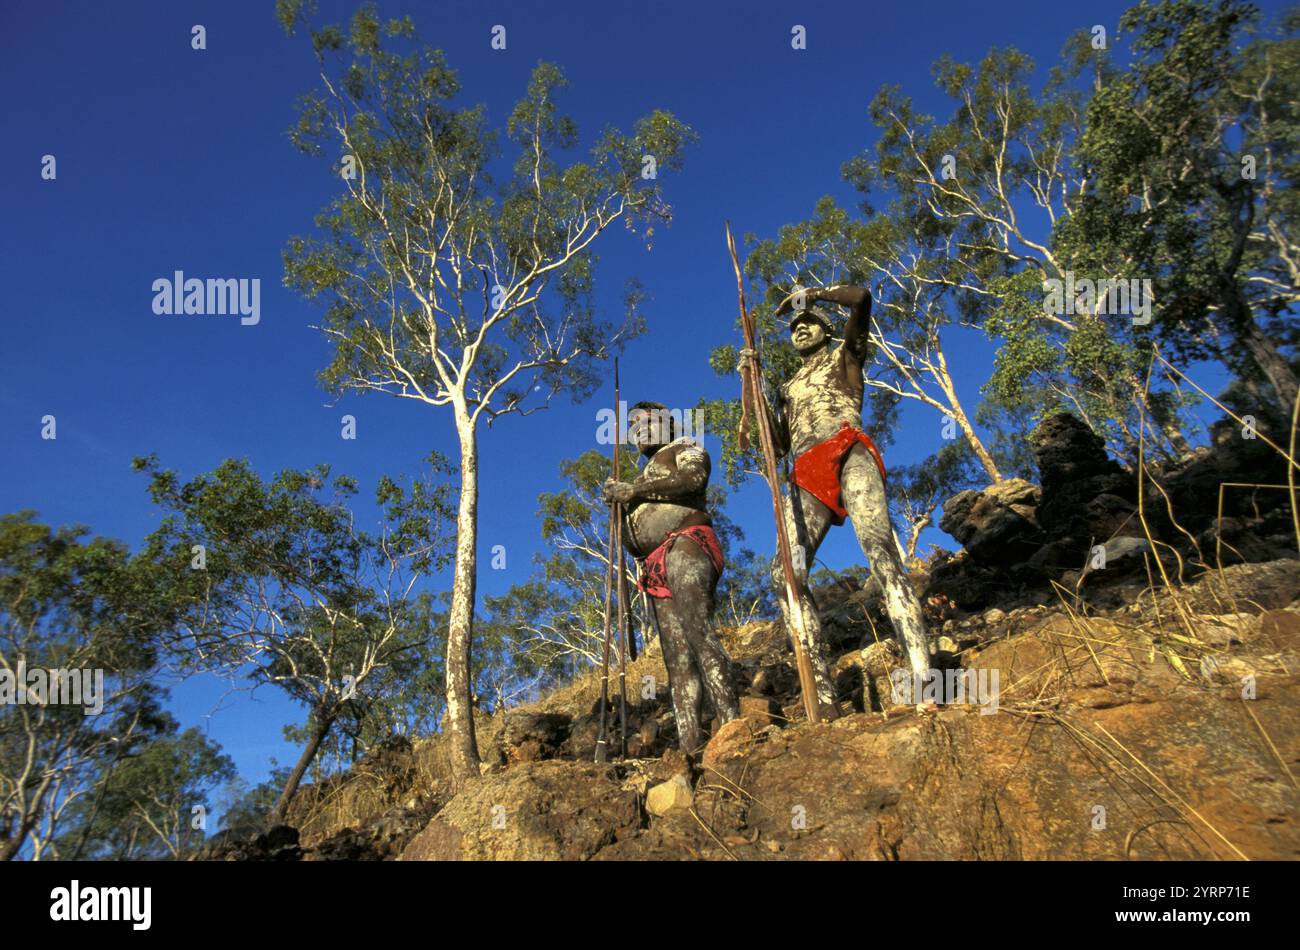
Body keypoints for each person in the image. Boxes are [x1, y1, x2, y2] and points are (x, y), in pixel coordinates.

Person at [742, 285, 930, 719]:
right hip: (806, 468)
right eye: (794, 327)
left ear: (827, 328)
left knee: (880, 552)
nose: (801, 328)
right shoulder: (788, 386)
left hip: (848, 448)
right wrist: (751, 384)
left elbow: (862, 299)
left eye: (809, 322)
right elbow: (774, 443)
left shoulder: (845, 356)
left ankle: (923, 679)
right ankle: (823, 697)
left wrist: (814, 295)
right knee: (784, 573)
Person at [603, 401, 739, 753]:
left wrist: (633, 492)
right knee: (675, 658)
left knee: (698, 633)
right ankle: (691, 745)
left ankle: (732, 729)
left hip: (686, 545)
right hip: (654, 565)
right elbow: (632, 537)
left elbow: (694, 480)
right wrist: (618, 510)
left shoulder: (686, 447)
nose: (638, 430)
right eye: (632, 426)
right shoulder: (642, 474)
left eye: (646, 422)